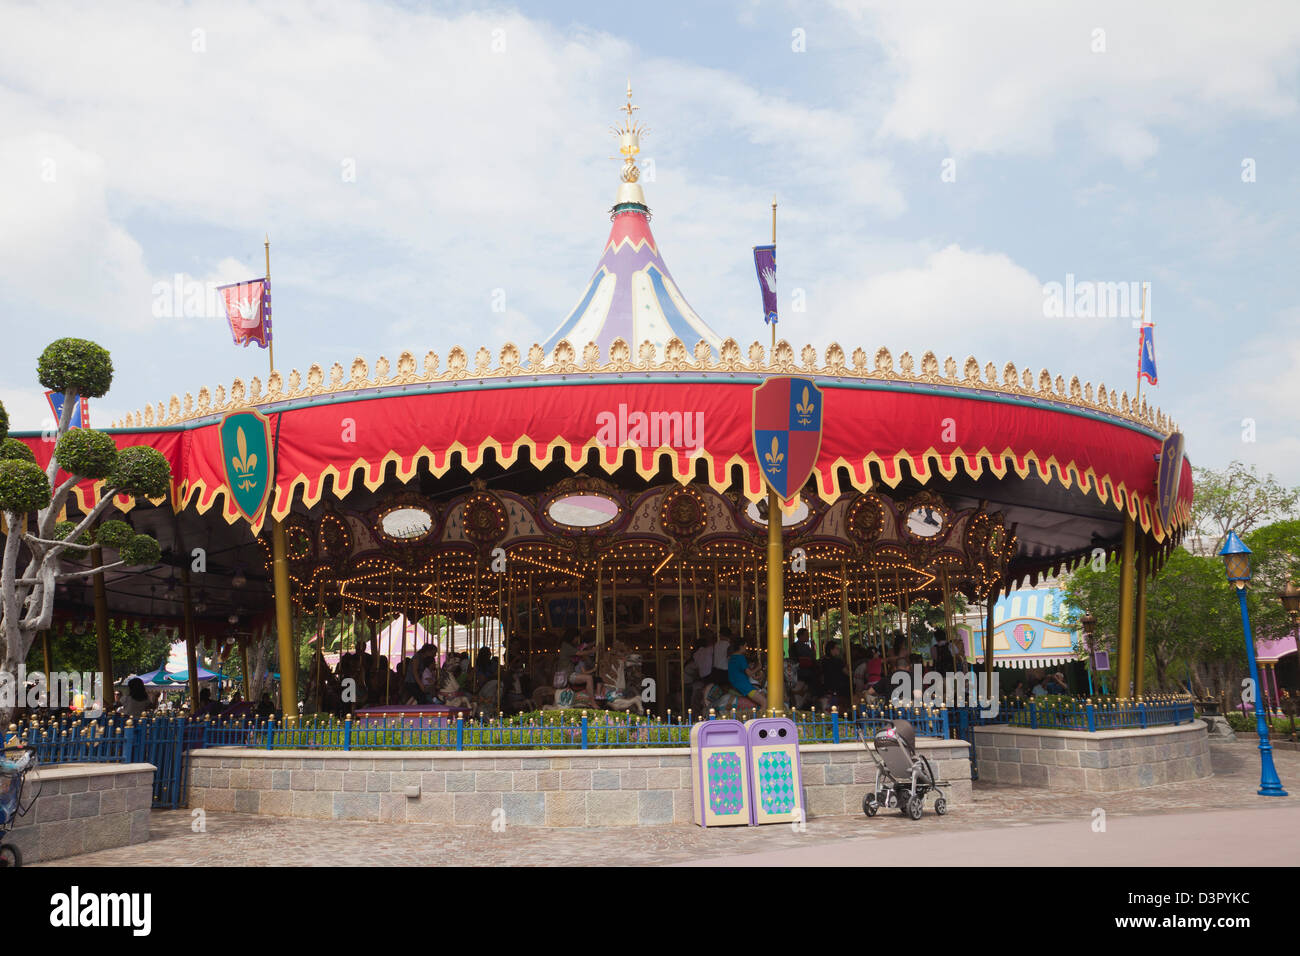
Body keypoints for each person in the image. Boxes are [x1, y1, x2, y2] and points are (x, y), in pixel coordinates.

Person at [727, 635, 766, 710]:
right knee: (764, 702)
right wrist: (758, 668)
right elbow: (749, 673)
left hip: (735, 684)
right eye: (745, 646)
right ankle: (759, 717)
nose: (746, 648)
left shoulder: (732, 657)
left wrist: (756, 677)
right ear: (741, 646)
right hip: (744, 686)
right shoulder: (741, 657)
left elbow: (741, 673)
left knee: (762, 693)